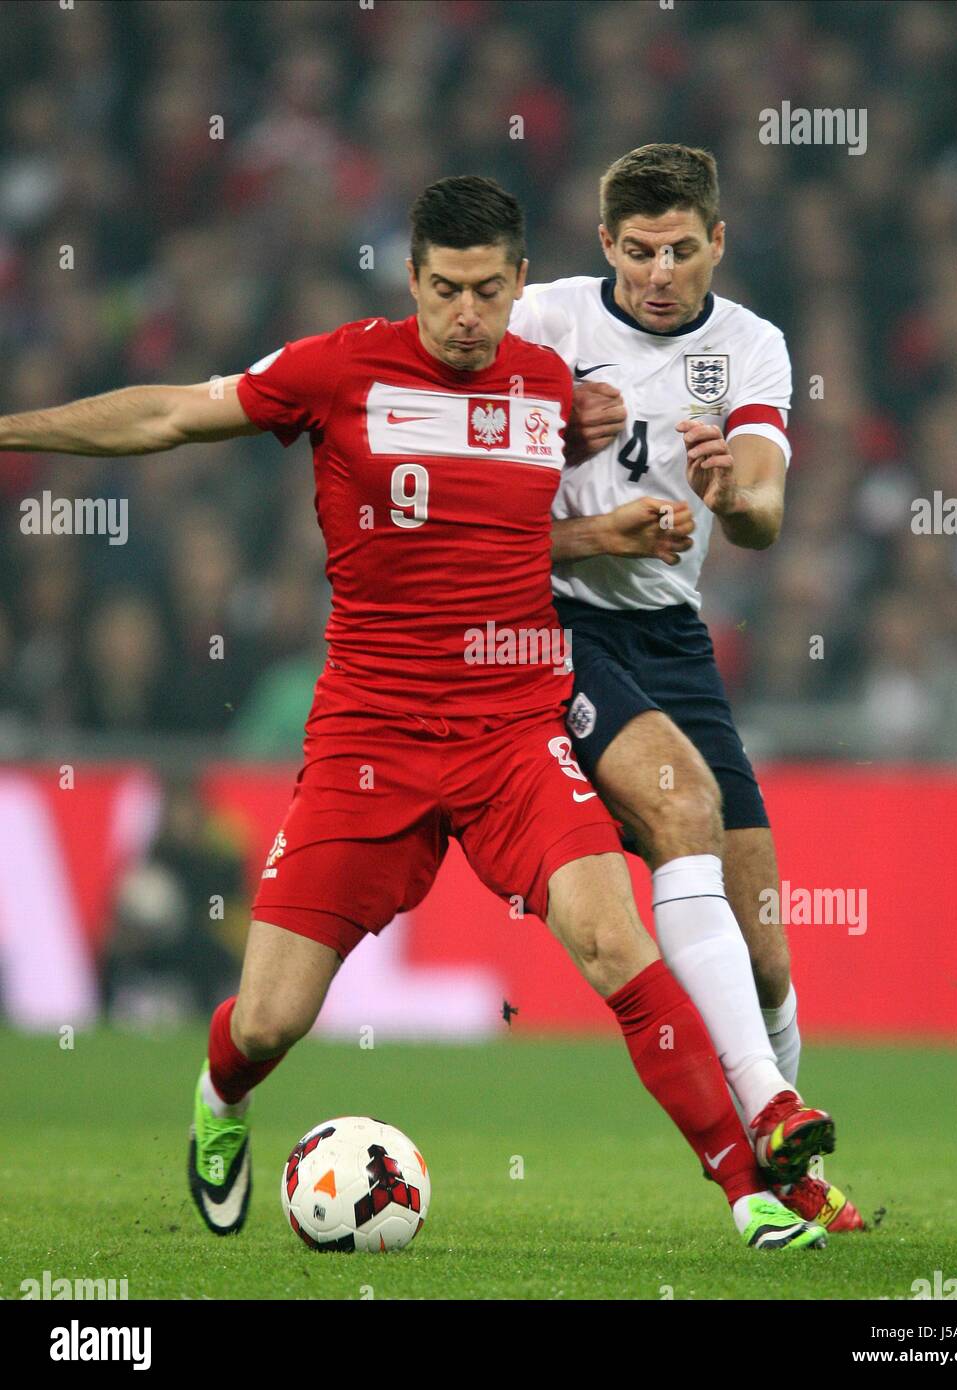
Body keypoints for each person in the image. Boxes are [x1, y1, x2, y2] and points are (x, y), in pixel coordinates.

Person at [0, 175, 834, 1250]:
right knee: (266, 1020)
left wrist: (604, 534)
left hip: (513, 728)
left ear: (520, 282)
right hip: (370, 737)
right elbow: (168, 411)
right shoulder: (336, 368)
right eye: (444, 289)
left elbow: (499, 541)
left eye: (488, 290)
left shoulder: (549, 389)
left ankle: (746, 1193)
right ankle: (218, 1100)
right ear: (411, 278)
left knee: (616, 946)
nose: (465, 316)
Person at [509, 144, 864, 1232]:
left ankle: (786, 1178)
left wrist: (728, 494)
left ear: (715, 240)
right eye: (635, 251)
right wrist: (550, 424)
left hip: (668, 632)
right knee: (679, 804)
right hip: (548, 618)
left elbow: (760, 511)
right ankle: (767, 1103)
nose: (658, 272)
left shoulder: (749, 344)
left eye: (678, 250)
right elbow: (461, 460)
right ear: (603, 244)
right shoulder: (541, 322)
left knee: (763, 949)